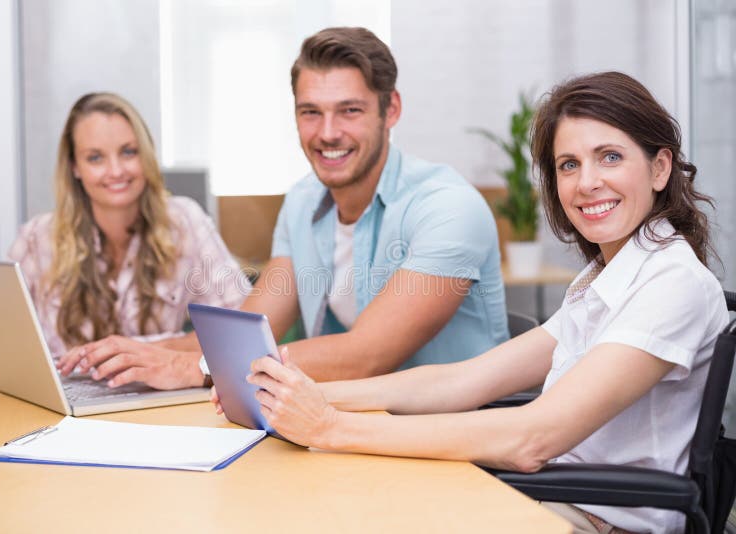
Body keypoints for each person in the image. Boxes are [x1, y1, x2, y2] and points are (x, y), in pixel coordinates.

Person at [242, 71, 730, 533]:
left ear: (660, 168)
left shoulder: (671, 283)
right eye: (569, 165)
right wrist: (295, 396)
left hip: (594, 518)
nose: (586, 183)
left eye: (610, 157)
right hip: (548, 496)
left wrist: (330, 427)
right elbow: (464, 380)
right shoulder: (609, 275)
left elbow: (533, 439)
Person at [57, 27, 508, 386]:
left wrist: (193, 369)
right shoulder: (303, 202)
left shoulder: (447, 208)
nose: (327, 132)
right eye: (311, 112)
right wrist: (130, 355)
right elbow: (249, 331)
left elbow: (366, 355)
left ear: (390, 110)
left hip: (458, 448)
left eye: (349, 110)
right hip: (351, 432)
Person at [0, 92, 249, 389]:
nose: (116, 171)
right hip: (62, 401)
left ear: (146, 155)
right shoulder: (37, 238)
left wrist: (154, 350)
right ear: (74, 167)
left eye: (128, 152)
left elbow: (243, 325)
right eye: (95, 158)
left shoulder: (185, 221)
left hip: (150, 400)